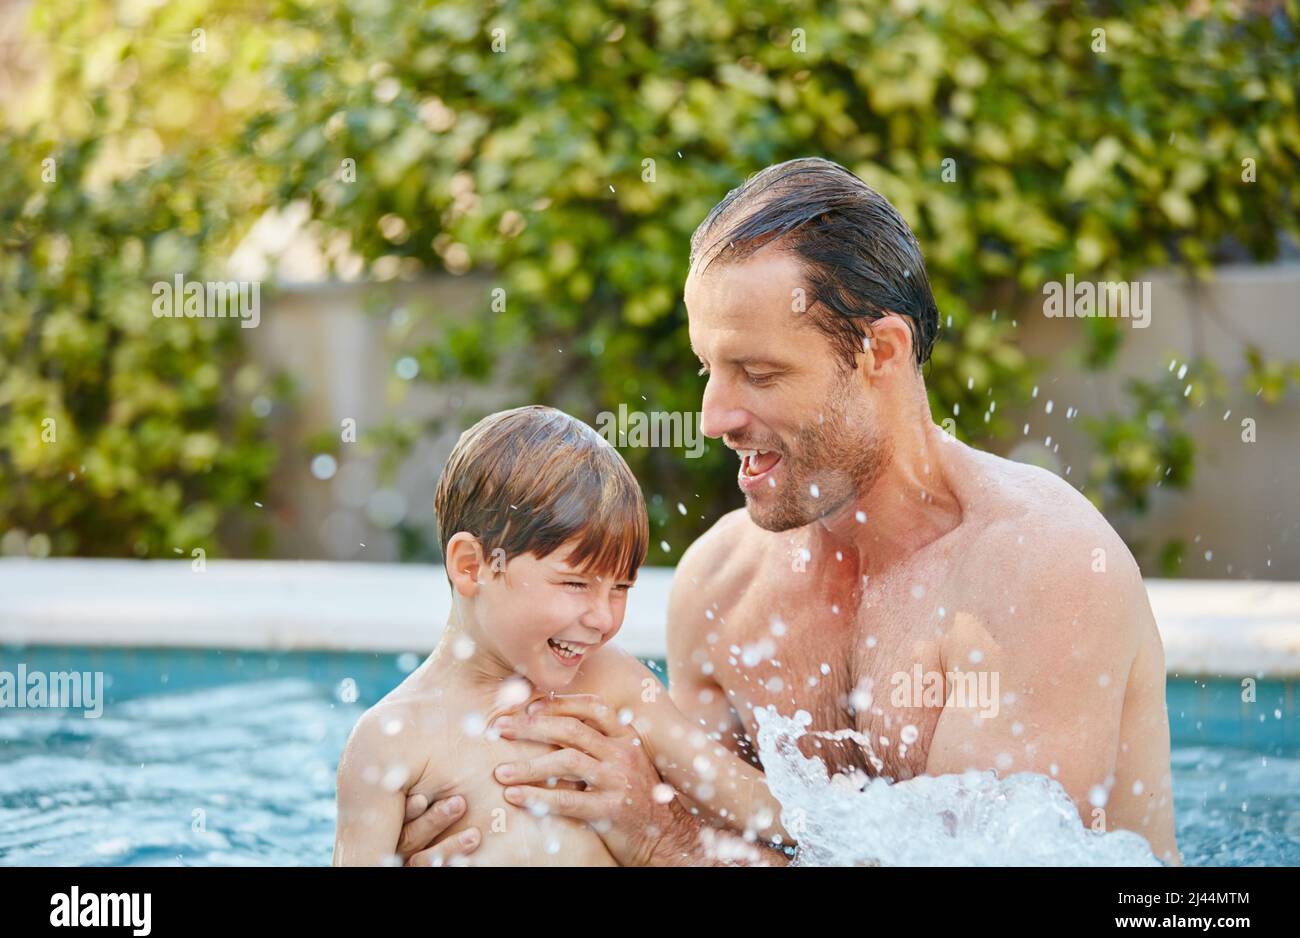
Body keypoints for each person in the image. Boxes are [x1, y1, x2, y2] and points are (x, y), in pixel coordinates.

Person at [398, 158, 1182, 866]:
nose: (713, 417)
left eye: (758, 372)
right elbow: (685, 830)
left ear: (881, 352)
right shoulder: (724, 586)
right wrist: (479, 814)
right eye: (710, 369)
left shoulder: (1040, 571)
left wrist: (662, 843)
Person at [333, 405, 788, 865]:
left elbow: (757, 805)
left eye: (621, 588)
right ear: (472, 566)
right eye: (575, 583)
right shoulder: (390, 741)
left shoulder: (614, 684)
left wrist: (851, 818)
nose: (602, 619)